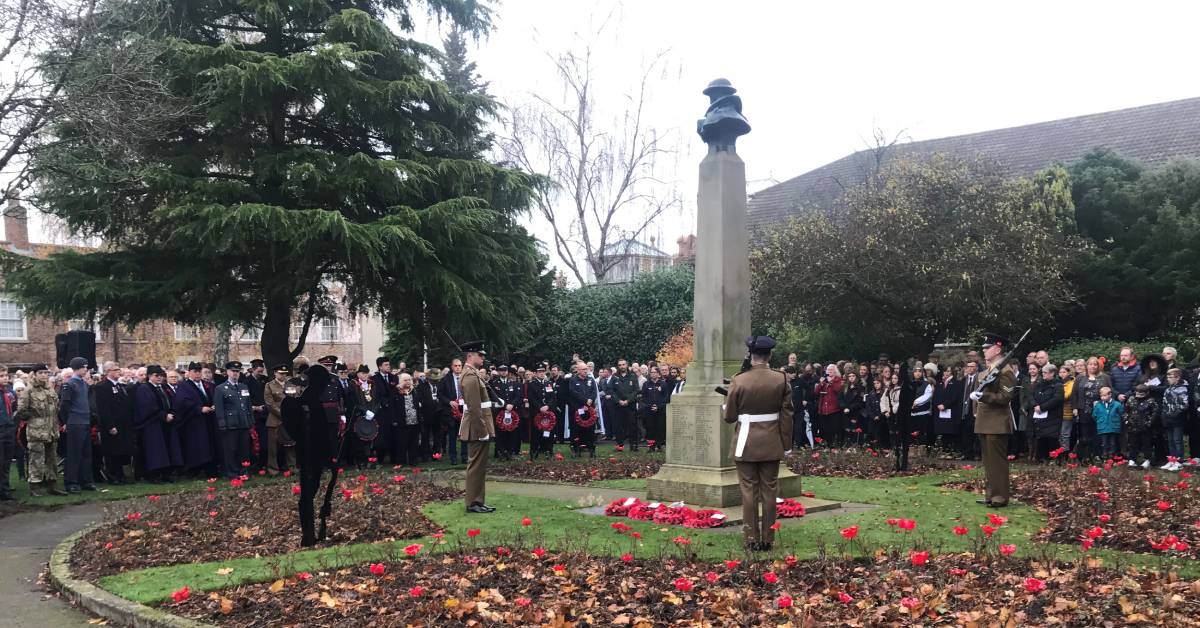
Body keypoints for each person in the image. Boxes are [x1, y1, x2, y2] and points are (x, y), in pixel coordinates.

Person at [723, 335, 793, 551]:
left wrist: (726, 404)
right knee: (770, 491)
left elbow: (729, 417)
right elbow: (787, 415)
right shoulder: (781, 379)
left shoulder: (739, 380)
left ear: (751, 355)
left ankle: (751, 538)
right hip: (772, 442)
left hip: (746, 442)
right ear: (769, 355)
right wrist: (786, 445)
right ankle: (768, 539)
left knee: (749, 491)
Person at [282, 365, 343, 546]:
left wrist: (330, 455)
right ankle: (307, 534)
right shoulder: (303, 402)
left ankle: (312, 531)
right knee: (307, 495)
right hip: (308, 454)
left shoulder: (314, 401)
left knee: (311, 492)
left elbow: (323, 432)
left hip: (316, 454)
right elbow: (300, 430)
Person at [971, 333, 1017, 508]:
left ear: (997, 349)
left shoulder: (1006, 371)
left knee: (997, 462)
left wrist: (983, 396)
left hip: (997, 422)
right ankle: (991, 494)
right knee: (989, 463)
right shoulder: (987, 371)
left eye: (987, 348)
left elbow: (1005, 397)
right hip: (984, 421)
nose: (984, 351)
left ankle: (1000, 496)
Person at [17, 365, 67, 497]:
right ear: (35, 374)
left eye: (46, 372)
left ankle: (52, 485)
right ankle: (34, 485)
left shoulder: (50, 389)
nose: (44, 375)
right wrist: (34, 419)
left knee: (52, 459)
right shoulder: (29, 390)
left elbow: (56, 407)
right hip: (37, 430)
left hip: (51, 429)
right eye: (41, 373)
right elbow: (22, 410)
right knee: (36, 459)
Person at [458, 341, 495, 513]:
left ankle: (478, 501)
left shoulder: (473, 374)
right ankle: (473, 502)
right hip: (476, 427)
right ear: (470, 355)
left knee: (479, 467)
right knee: (476, 466)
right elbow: (474, 407)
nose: (483, 358)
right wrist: (482, 431)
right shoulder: (470, 376)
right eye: (480, 355)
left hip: (478, 425)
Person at [133, 365, 183, 482]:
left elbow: (172, 401)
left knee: (168, 449)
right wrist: (164, 415)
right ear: (150, 376)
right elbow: (148, 406)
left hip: (166, 423)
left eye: (161, 375)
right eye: (157, 375)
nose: (159, 377)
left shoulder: (164, 387)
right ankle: (154, 475)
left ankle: (167, 473)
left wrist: (172, 413)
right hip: (152, 424)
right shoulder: (144, 388)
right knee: (155, 451)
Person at [92, 361, 136, 484]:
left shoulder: (120, 386)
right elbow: (103, 409)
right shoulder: (102, 387)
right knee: (112, 451)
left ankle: (121, 474)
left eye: (118, 369)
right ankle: (113, 475)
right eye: (115, 370)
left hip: (123, 425)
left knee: (121, 451)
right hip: (112, 425)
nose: (118, 372)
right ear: (108, 372)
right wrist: (110, 425)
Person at [58, 357, 97, 493]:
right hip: (75, 422)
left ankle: (86, 480)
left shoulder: (84, 384)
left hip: (85, 422)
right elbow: (64, 405)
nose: (86, 369)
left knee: (86, 454)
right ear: (77, 368)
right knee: (74, 454)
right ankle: (71, 482)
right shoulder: (69, 384)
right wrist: (66, 421)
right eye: (84, 367)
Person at [172, 362, 215, 476]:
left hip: (209, 420)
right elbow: (182, 402)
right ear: (189, 373)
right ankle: (195, 469)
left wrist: (214, 405)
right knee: (197, 445)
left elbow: (212, 396)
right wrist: (199, 409)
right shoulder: (184, 386)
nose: (197, 374)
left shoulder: (207, 385)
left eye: (199, 372)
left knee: (210, 444)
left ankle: (210, 468)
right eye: (195, 372)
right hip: (193, 421)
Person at [213, 361, 253, 477]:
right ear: (227, 372)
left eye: (237, 371)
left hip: (244, 422)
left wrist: (251, 421)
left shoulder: (243, 387)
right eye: (233, 371)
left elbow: (248, 405)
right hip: (230, 424)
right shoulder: (220, 388)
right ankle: (232, 472)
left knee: (244, 449)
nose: (235, 373)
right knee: (231, 450)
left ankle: (244, 471)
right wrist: (222, 424)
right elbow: (219, 408)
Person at [263, 364, 296, 474]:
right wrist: (283, 414)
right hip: (275, 420)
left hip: (289, 420)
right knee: (273, 447)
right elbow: (269, 404)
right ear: (275, 373)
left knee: (290, 445)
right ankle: (273, 469)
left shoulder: (290, 385)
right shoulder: (269, 385)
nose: (283, 375)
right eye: (280, 373)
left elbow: (295, 400)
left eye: (285, 373)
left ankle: (292, 467)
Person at [1029, 365, 1064, 459]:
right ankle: (1041, 458)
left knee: (1051, 437)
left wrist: (1042, 407)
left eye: (1045, 372)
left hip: (1052, 415)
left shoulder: (1058, 385)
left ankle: (1054, 458)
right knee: (1041, 436)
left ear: (1052, 373)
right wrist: (1035, 405)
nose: (1043, 374)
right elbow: (1031, 395)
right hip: (1039, 415)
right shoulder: (1039, 384)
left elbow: (1057, 399)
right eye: (1043, 372)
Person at [568, 362, 599, 456]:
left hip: (589, 409)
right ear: (578, 370)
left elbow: (594, 391)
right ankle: (576, 447)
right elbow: (573, 393)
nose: (586, 371)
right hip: (578, 409)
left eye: (586, 369)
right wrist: (585, 401)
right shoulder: (573, 380)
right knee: (577, 429)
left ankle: (590, 446)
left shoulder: (591, 379)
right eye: (583, 369)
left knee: (590, 428)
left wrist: (590, 400)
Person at [1160, 368, 1188, 471]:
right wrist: (1164, 415)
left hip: (1177, 419)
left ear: (1178, 377)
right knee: (1170, 441)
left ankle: (1179, 461)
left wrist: (1175, 413)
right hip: (1167, 419)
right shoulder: (1168, 389)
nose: (1168, 379)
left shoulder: (1183, 389)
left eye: (1171, 377)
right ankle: (1172, 460)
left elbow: (1185, 404)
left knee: (1177, 440)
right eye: (1167, 377)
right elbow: (1164, 404)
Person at [1122, 384, 1158, 468]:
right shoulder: (1131, 399)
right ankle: (1132, 460)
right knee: (1132, 443)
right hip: (1132, 426)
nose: (1139, 396)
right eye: (1138, 393)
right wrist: (1126, 420)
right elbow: (1125, 411)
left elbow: (1155, 413)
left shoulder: (1151, 401)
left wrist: (1149, 423)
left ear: (1147, 393)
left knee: (1146, 444)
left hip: (1145, 427)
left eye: (1141, 394)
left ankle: (1147, 460)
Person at [609, 359, 640, 451]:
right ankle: (620, 445)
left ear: (627, 365)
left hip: (630, 405)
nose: (622, 366)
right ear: (618, 366)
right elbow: (611, 390)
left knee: (632, 426)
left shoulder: (633, 376)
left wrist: (628, 400)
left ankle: (633, 445)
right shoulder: (614, 376)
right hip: (618, 405)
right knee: (618, 426)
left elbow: (636, 390)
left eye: (623, 364)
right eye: (620, 365)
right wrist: (618, 400)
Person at [640, 368, 669, 452]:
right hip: (649, 411)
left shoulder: (663, 384)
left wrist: (659, 406)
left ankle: (659, 446)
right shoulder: (646, 384)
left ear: (658, 374)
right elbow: (643, 398)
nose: (653, 374)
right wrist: (649, 406)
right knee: (650, 428)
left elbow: (666, 398)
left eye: (654, 372)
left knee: (660, 428)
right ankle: (651, 446)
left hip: (660, 410)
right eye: (651, 372)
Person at [814, 365, 843, 446]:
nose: (829, 372)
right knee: (825, 429)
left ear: (835, 371)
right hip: (823, 409)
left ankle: (833, 445)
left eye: (831, 370)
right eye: (828, 370)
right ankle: (826, 445)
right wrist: (821, 384)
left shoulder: (838, 380)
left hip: (834, 409)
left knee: (833, 429)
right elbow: (816, 392)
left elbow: (838, 390)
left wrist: (831, 382)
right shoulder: (824, 380)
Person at [1093, 387, 1123, 458]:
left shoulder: (1117, 404)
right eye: (1101, 396)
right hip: (1102, 427)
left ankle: (1112, 456)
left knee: (1113, 443)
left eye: (1104, 395)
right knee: (1104, 443)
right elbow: (1094, 415)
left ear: (1110, 395)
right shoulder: (1098, 405)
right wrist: (1100, 421)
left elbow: (1121, 414)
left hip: (1113, 427)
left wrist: (1116, 422)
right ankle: (1104, 456)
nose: (1102, 398)